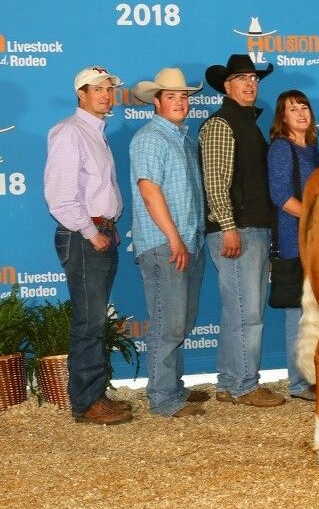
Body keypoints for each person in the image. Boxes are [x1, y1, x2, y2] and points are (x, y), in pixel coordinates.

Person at [43, 66, 133, 425]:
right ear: (80, 93)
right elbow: (60, 198)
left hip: (99, 232)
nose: (106, 95)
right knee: (89, 321)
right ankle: (85, 402)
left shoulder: (95, 132)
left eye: (109, 89)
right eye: (98, 89)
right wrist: (91, 231)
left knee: (94, 320)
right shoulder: (69, 132)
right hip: (85, 236)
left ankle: (94, 394)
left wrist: (109, 225)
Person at [199, 54, 284, 407]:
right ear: (227, 85)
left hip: (252, 228)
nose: (251, 83)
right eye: (242, 78)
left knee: (240, 308)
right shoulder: (222, 124)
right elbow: (215, 183)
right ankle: (244, 385)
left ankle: (231, 381)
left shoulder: (247, 123)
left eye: (254, 78)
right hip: (238, 229)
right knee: (246, 310)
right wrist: (228, 227)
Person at [129, 68, 208, 417]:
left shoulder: (182, 139)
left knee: (180, 321)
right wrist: (174, 238)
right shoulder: (150, 138)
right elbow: (149, 190)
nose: (180, 102)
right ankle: (163, 399)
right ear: (156, 101)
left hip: (187, 243)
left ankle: (172, 386)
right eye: (172, 97)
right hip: (166, 244)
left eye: (184, 97)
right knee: (168, 322)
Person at [267, 90, 319, 401]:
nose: (301, 113)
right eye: (293, 109)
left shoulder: (311, 150)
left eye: (305, 106)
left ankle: (311, 377)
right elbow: (281, 196)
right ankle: (298, 383)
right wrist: (315, 218)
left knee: (312, 310)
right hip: (292, 240)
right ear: (282, 117)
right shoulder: (281, 148)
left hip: (314, 240)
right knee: (296, 312)